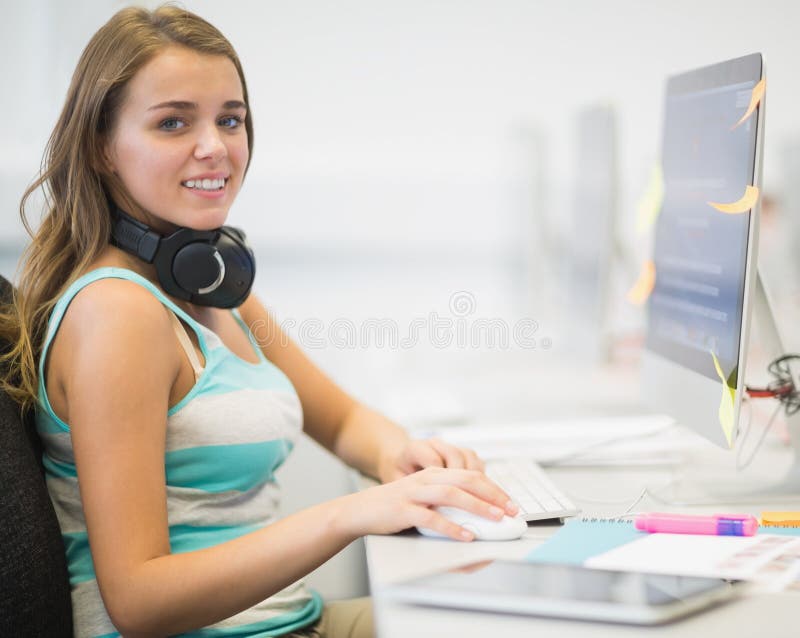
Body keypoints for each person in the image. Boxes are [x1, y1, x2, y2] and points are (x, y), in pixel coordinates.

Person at [0, 5, 519, 638]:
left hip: (289, 623)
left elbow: (343, 421)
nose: (214, 147)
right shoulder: (117, 313)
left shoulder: (213, 285)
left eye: (230, 119)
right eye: (172, 122)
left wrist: (401, 455)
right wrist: (350, 514)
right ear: (101, 147)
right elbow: (138, 599)